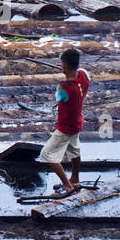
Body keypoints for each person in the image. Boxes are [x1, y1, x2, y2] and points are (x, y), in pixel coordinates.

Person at [38, 47, 91, 196]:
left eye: (62, 63)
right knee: (74, 150)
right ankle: (75, 179)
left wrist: (65, 79)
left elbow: (58, 98)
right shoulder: (84, 76)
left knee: (47, 154)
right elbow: (81, 72)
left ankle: (68, 185)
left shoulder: (63, 87)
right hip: (77, 122)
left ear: (64, 66)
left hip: (65, 127)